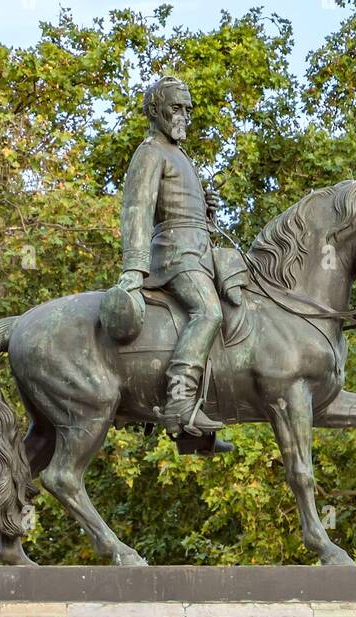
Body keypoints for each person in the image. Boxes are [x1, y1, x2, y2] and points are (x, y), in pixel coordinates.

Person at [117, 75, 225, 436]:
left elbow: (182, 209)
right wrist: (134, 268)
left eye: (187, 110)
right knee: (208, 312)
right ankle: (179, 399)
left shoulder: (178, 155)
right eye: (176, 108)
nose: (183, 116)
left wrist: (207, 215)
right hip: (175, 255)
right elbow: (137, 211)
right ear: (154, 109)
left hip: (200, 251)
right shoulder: (150, 152)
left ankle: (203, 419)